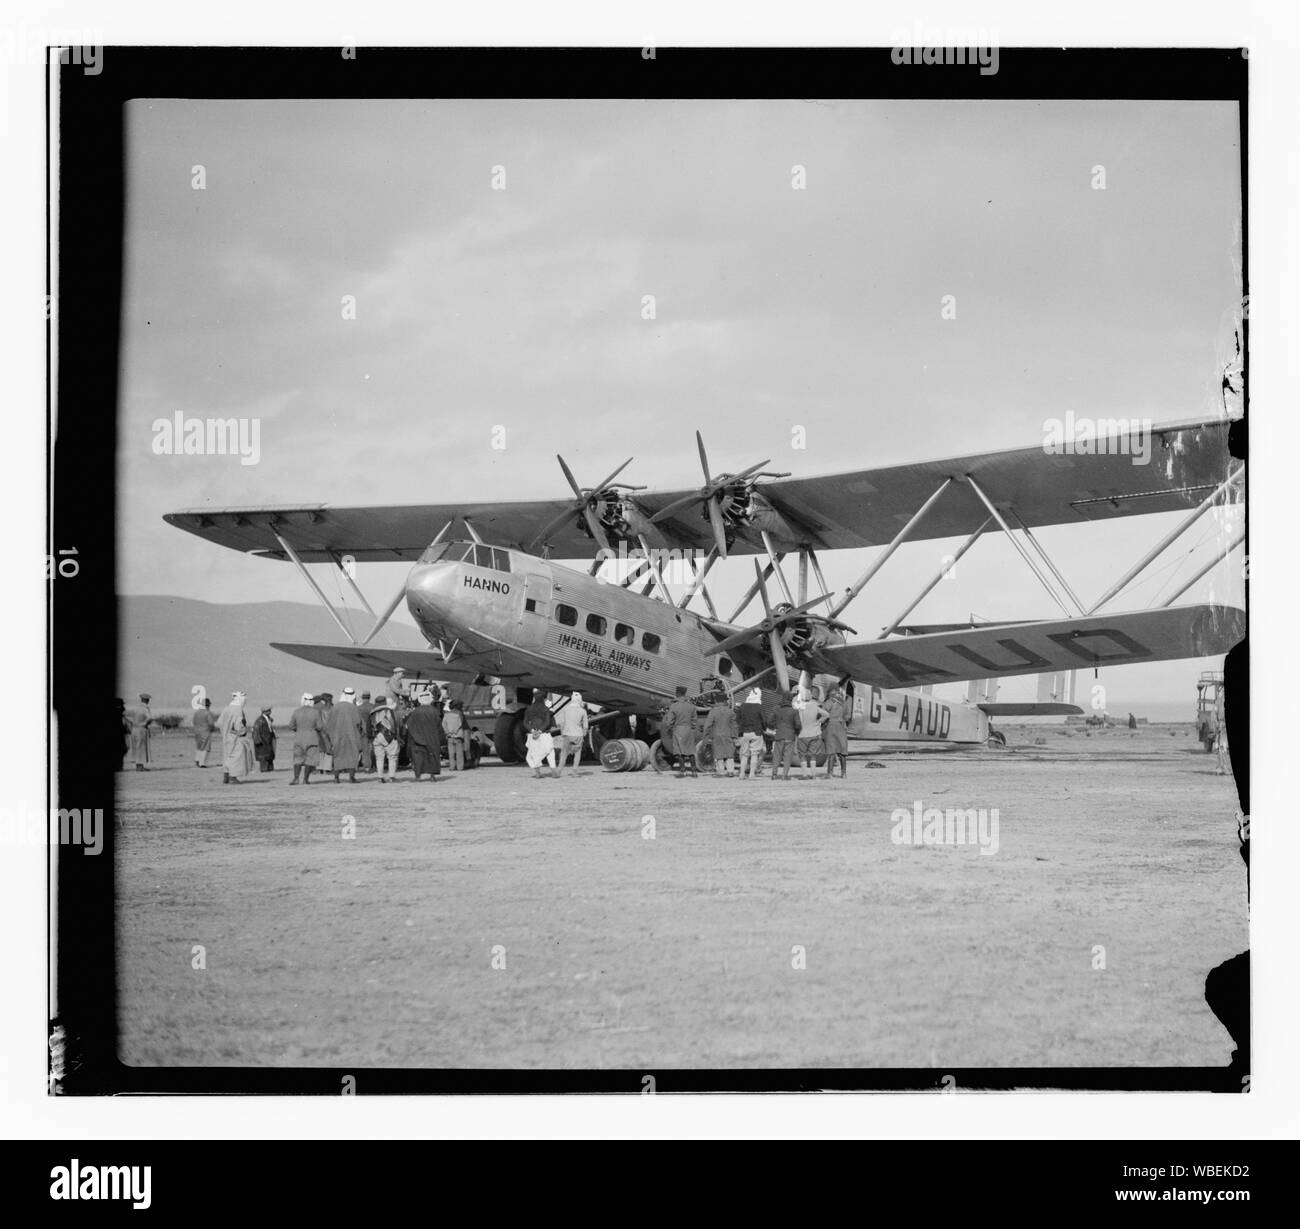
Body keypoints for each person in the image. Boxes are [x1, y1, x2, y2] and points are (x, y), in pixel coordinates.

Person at [326, 686, 365, 783]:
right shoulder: (354, 708)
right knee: (353, 756)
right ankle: (351, 778)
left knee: (338, 756)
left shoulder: (335, 707)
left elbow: (329, 724)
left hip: (337, 737)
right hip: (352, 736)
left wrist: (331, 737)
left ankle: (336, 778)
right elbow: (359, 723)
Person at [403, 691, 443, 782]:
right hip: (432, 738)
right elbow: (439, 726)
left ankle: (418, 777)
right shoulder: (434, 711)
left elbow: (409, 725)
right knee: (432, 756)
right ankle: (432, 776)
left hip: (417, 739)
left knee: (418, 758)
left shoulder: (415, 712)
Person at [660, 685, 699, 778]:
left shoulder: (674, 706)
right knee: (690, 751)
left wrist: (669, 728)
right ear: (685, 694)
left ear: (677, 693)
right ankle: (694, 771)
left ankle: (683, 771)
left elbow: (669, 721)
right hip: (689, 730)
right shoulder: (691, 706)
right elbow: (694, 719)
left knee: (679, 751)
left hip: (678, 729)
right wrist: (692, 727)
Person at [217, 691, 255, 784]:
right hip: (236, 738)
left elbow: (219, 722)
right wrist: (242, 731)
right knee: (236, 757)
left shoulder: (227, 709)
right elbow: (239, 725)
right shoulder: (238, 710)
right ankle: (232, 777)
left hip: (226, 736)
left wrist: (225, 731)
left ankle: (226, 776)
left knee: (227, 756)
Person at [289, 692, 324, 785]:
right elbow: (320, 726)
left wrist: (299, 729)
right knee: (310, 759)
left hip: (299, 737)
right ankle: (305, 779)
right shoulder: (315, 712)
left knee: (297, 759)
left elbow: (291, 725)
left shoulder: (296, 711)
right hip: (312, 738)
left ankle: (296, 778)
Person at [796, 691, 830, 780]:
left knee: (802, 755)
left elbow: (798, 720)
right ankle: (813, 775)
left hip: (802, 734)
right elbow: (826, 715)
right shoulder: (815, 705)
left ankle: (804, 775)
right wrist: (818, 722)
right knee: (813, 755)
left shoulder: (800, 706)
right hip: (814, 733)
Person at [736, 687, 767, 780]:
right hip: (756, 732)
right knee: (754, 754)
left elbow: (737, 719)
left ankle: (741, 774)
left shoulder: (742, 706)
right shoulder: (759, 706)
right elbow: (764, 720)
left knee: (744, 754)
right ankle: (751, 775)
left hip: (744, 733)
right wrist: (764, 728)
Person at [703, 700, 739, 777]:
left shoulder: (713, 711)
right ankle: (730, 771)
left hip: (716, 735)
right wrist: (735, 737)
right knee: (729, 753)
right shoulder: (730, 712)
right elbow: (734, 725)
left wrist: (706, 736)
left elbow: (707, 725)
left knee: (718, 753)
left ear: (717, 702)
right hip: (728, 734)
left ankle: (721, 771)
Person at [556, 690, 588, 776]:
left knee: (564, 753)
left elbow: (561, 723)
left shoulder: (565, 709)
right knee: (577, 754)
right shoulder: (583, 711)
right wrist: (584, 734)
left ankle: (559, 771)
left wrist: (562, 732)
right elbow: (585, 726)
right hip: (578, 735)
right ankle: (574, 771)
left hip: (567, 734)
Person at [770, 692, 799, 781]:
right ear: (791, 700)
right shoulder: (794, 711)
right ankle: (784, 775)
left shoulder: (776, 710)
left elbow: (769, 721)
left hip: (779, 735)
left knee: (777, 756)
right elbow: (798, 725)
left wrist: (776, 727)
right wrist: (796, 732)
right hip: (790, 736)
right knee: (788, 756)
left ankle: (774, 775)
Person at [371, 695, 400, 782]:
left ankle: (380, 777)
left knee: (379, 758)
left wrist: (371, 737)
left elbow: (369, 727)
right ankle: (391, 777)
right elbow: (398, 725)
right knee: (392, 757)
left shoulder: (372, 713)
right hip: (390, 737)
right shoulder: (392, 712)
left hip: (376, 737)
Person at [822, 687, 850, 778]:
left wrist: (820, 724)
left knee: (831, 750)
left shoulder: (829, 702)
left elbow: (824, 714)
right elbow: (847, 716)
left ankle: (829, 773)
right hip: (841, 726)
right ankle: (844, 773)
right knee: (842, 750)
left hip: (830, 726)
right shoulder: (844, 703)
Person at [125, 693, 153, 771]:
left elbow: (125, 714)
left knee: (136, 747)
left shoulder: (135, 708)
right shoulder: (145, 708)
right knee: (141, 747)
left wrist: (131, 722)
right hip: (141, 729)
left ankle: (138, 765)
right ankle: (140, 766)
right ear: (147, 700)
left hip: (134, 729)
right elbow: (150, 718)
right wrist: (145, 724)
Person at [442, 699, 467, 771]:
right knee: (459, 754)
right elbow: (460, 724)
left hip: (449, 736)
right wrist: (455, 731)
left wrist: (448, 732)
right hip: (458, 735)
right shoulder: (460, 713)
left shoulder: (446, 714)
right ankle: (460, 767)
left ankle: (452, 767)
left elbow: (443, 724)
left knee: (451, 754)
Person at [192, 697, 216, 768]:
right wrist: (212, 729)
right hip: (206, 732)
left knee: (199, 747)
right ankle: (202, 763)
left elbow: (194, 722)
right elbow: (211, 723)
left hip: (197, 732)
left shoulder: (197, 712)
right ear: (208, 705)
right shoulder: (207, 713)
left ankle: (197, 759)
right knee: (206, 748)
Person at [252, 704, 276, 772]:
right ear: (265, 711)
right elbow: (256, 729)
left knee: (269, 755)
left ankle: (270, 768)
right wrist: (257, 740)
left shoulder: (268, 718)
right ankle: (264, 769)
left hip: (268, 740)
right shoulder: (260, 720)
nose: (270, 711)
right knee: (263, 756)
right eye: (269, 710)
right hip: (262, 740)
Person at [315, 693, 334, 772]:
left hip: (321, 731)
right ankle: (327, 768)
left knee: (321, 750)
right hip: (330, 731)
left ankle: (321, 768)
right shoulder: (333, 708)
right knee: (328, 750)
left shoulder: (321, 709)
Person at [357, 691, 375, 772]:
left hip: (363, 731)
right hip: (372, 731)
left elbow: (357, 722)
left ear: (362, 697)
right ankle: (374, 765)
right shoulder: (373, 707)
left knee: (365, 750)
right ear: (369, 697)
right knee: (373, 749)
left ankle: (366, 766)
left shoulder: (359, 708)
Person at [114, 699, 130, 771]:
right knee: (121, 751)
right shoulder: (120, 712)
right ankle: (119, 767)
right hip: (120, 735)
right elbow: (123, 725)